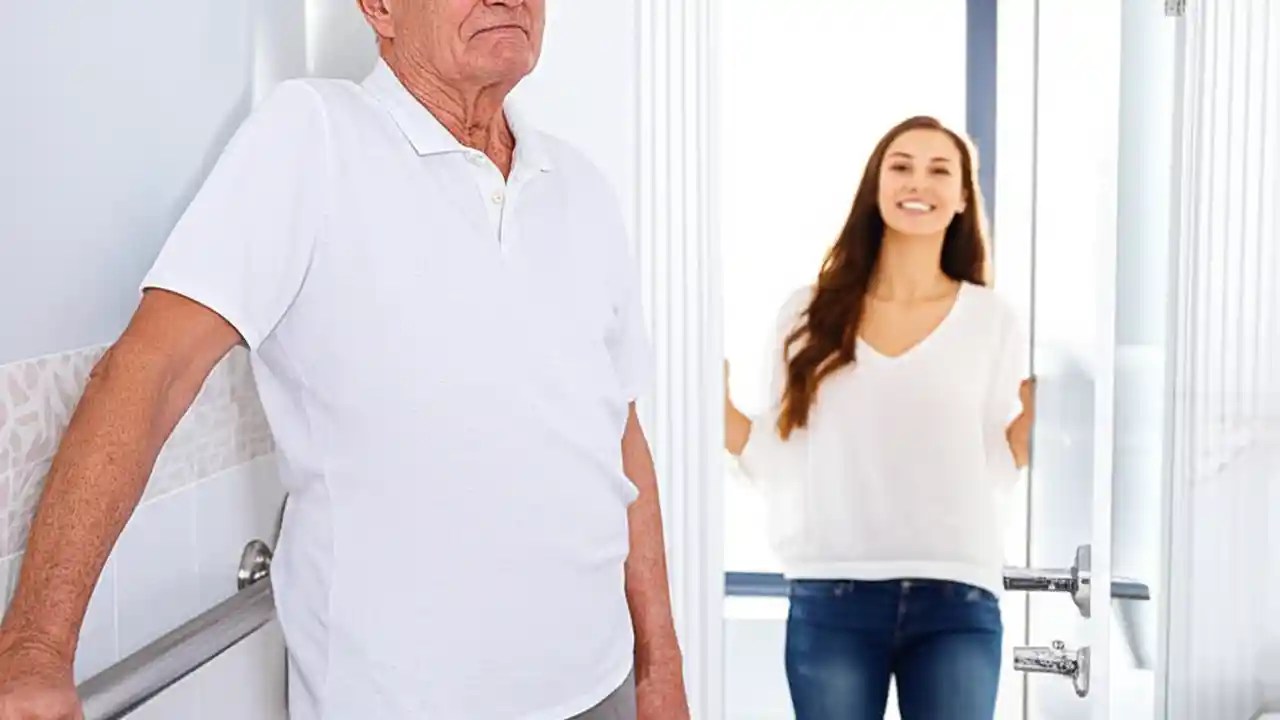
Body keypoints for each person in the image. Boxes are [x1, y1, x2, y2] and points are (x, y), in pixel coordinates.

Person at [0, 1, 690, 718]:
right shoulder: (313, 136)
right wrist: (36, 649)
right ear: (380, 8)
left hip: (600, 686)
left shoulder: (583, 188)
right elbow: (151, 373)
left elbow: (620, 440)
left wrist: (659, 669)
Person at [723, 115, 1034, 720]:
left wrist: (1044, 423)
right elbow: (776, 452)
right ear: (875, 184)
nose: (919, 181)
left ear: (963, 198)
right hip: (832, 593)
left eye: (940, 169)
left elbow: (991, 461)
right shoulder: (806, 314)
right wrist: (710, 405)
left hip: (957, 595)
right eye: (901, 165)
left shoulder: (992, 320)